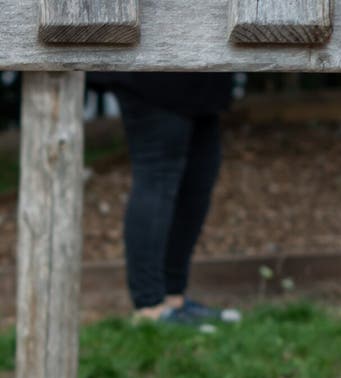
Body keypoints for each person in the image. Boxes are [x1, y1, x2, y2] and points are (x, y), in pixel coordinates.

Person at [89, 72, 240, 324]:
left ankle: (173, 298)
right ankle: (149, 307)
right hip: (152, 75)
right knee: (157, 177)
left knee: (199, 177)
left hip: (201, 76)